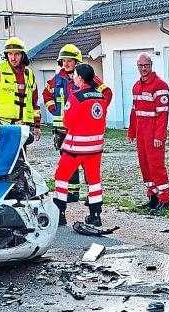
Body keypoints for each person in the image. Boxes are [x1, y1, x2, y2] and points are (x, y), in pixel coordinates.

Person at [43, 44, 113, 203]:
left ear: (77, 62)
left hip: (82, 132)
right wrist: (53, 109)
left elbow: (106, 93)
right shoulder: (56, 79)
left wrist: (94, 116)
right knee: (69, 168)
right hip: (63, 130)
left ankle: (87, 198)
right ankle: (72, 194)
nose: (66, 64)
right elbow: (46, 94)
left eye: (70, 61)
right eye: (64, 61)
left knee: (88, 169)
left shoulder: (88, 76)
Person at [54, 63, 108, 227]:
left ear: (81, 78)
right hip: (95, 147)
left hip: (76, 148)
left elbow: (67, 122)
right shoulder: (101, 97)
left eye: (75, 75)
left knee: (61, 177)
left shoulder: (76, 97)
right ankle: (95, 215)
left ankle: (60, 213)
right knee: (94, 181)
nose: (73, 77)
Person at [128, 52, 169, 214]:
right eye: (140, 66)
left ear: (151, 65)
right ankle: (152, 198)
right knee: (145, 166)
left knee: (156, 166)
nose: (143, 69)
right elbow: (134, 111)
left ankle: (164, 200)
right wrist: (131, 132)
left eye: (146, 65)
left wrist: (159, 136)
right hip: (141, 134)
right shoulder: (136, 86)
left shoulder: (160, 85)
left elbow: (163, 114)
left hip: (153, 135)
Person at [0, 37, 41, 144]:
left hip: (22, 127)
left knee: (21, 157)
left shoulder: (29, 74)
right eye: (10, 54)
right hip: (3, 125)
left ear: (23, 55)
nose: (13, 58)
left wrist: (37, 125)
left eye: (16, 54)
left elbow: (34, 101)